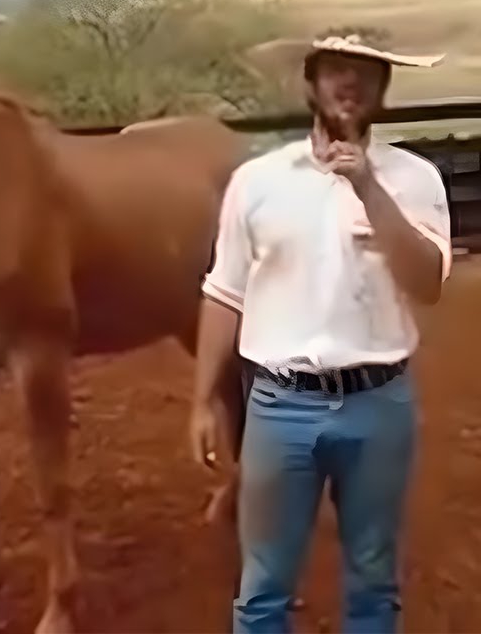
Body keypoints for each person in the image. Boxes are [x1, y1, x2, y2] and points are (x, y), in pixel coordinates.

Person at [190, 32, 453, 632]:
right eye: (335, 69)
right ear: (310, 82)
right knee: (263, 585)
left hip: (378, 401)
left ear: (383, 88)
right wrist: (204, 397)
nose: (350, 83)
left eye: (365, 72)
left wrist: (367, 187)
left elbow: (428, 281)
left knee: (373, 578)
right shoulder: (257, 180)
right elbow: (223, 291)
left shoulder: (414, 178)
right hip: (281, 405)